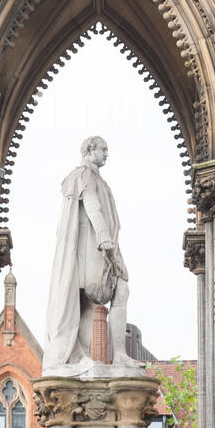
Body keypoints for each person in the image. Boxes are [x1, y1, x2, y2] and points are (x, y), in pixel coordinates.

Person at [43, 136, 141, 373]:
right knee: (85, 300)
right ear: (89, 149)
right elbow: (92, 205)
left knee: (120, 289)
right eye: (103, 149)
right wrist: (104, 236)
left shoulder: (100, 180)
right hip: (90, 247)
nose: (107, 153)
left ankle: (119, 355)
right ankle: (79, 356)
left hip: (105, 246)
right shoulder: (82, 175)